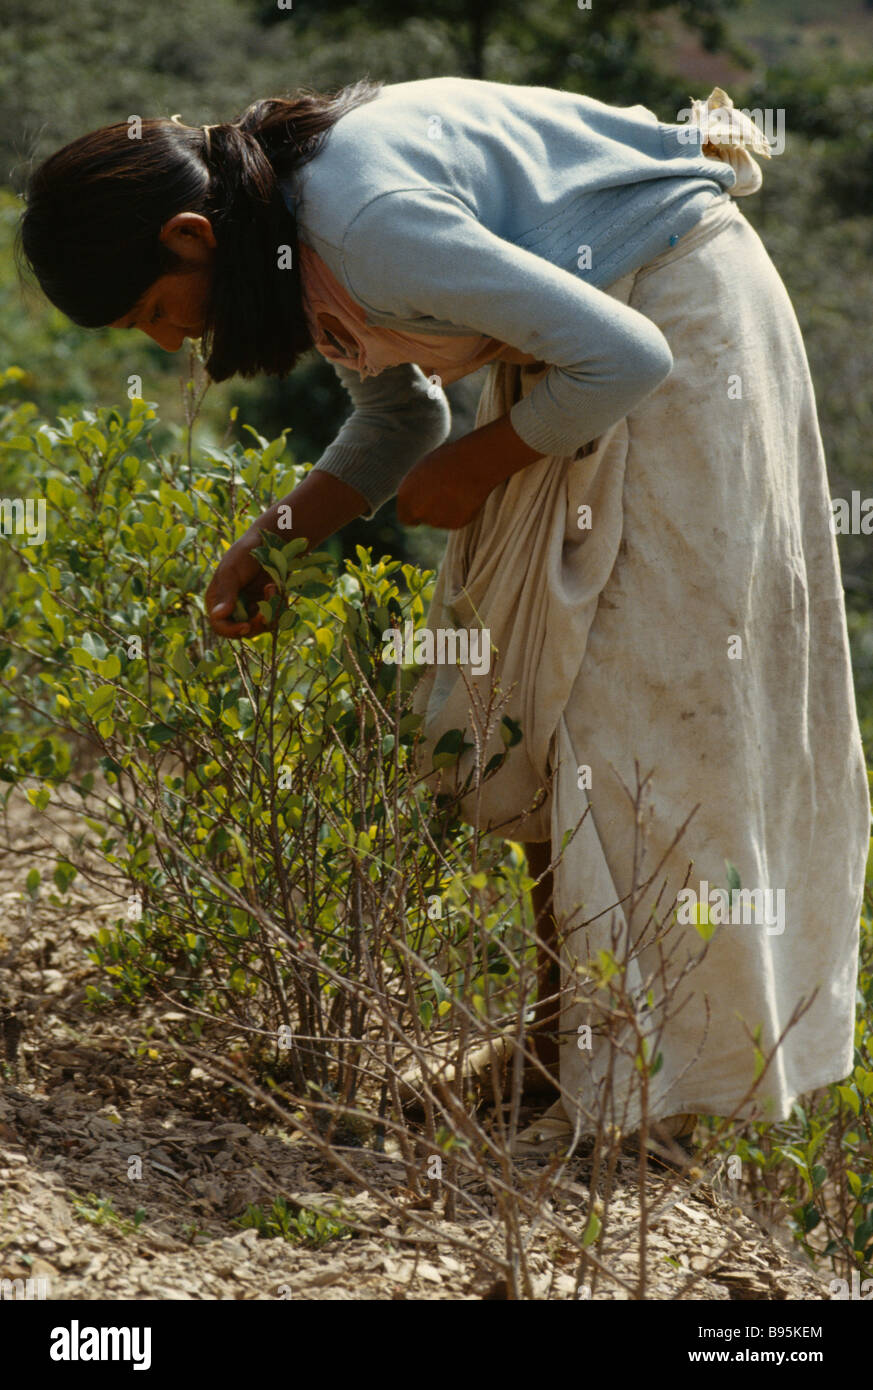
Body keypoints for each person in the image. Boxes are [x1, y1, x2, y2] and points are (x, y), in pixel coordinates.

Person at [19, 75, 870, 1156]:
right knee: (544, 707)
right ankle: (563, 1042)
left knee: (624, 711)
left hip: (676, 326)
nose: (162, 341)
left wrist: (484, 461)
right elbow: (401, 405)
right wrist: (276, 536)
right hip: (581, 357)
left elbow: (629, 356)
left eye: (152, 312)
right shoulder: (292, 231)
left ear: (190, 237)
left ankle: (640, 1110)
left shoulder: (360, 222)